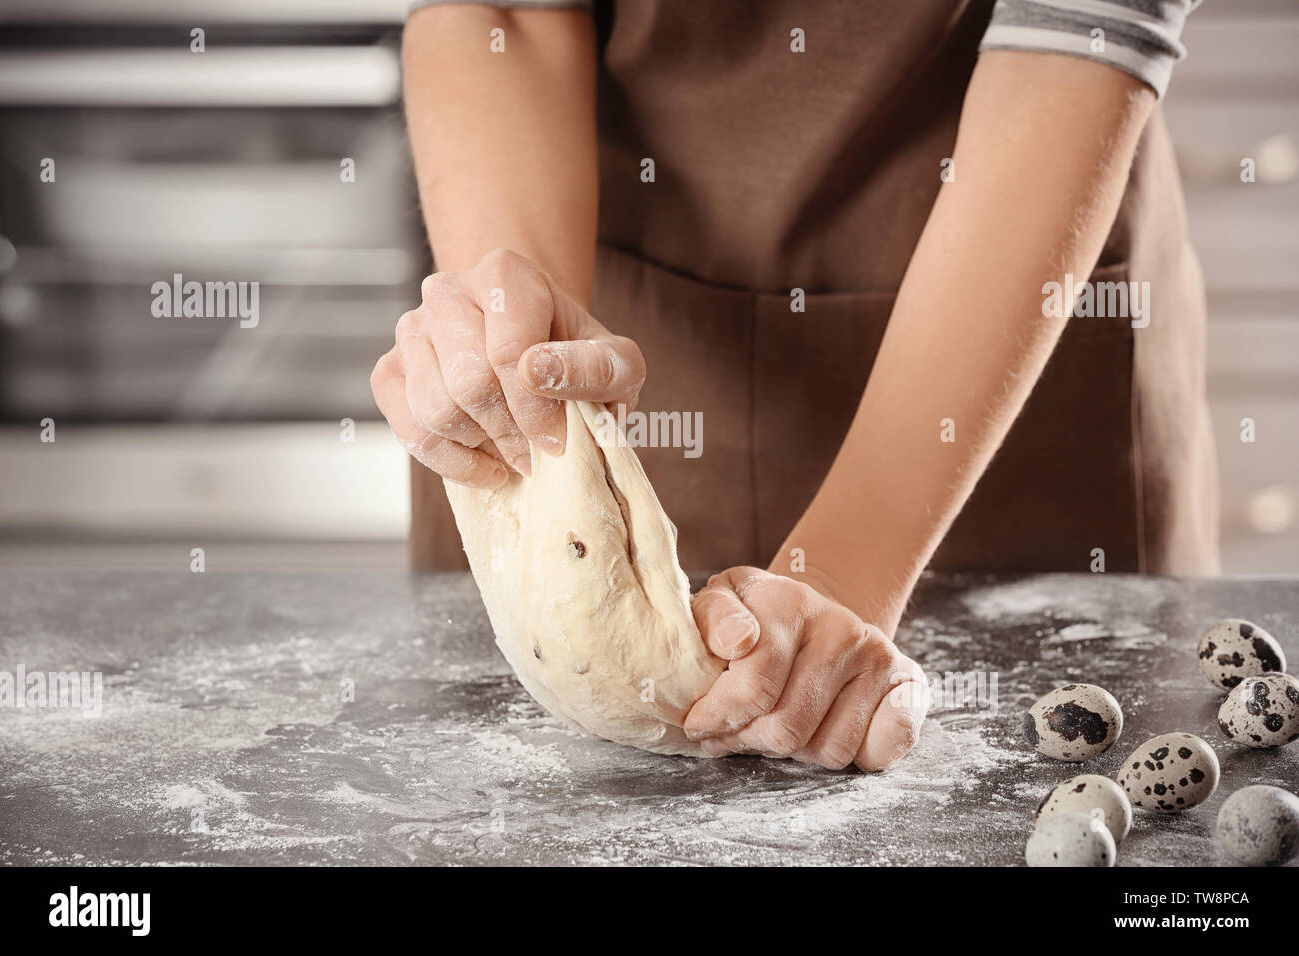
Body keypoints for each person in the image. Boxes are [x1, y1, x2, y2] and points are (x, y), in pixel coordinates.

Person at [371, 0, 1215, 771]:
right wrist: (520, 353)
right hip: (612, 290)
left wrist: (847, 573)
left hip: (998, 320)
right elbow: (505, 15)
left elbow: (1076, 33)